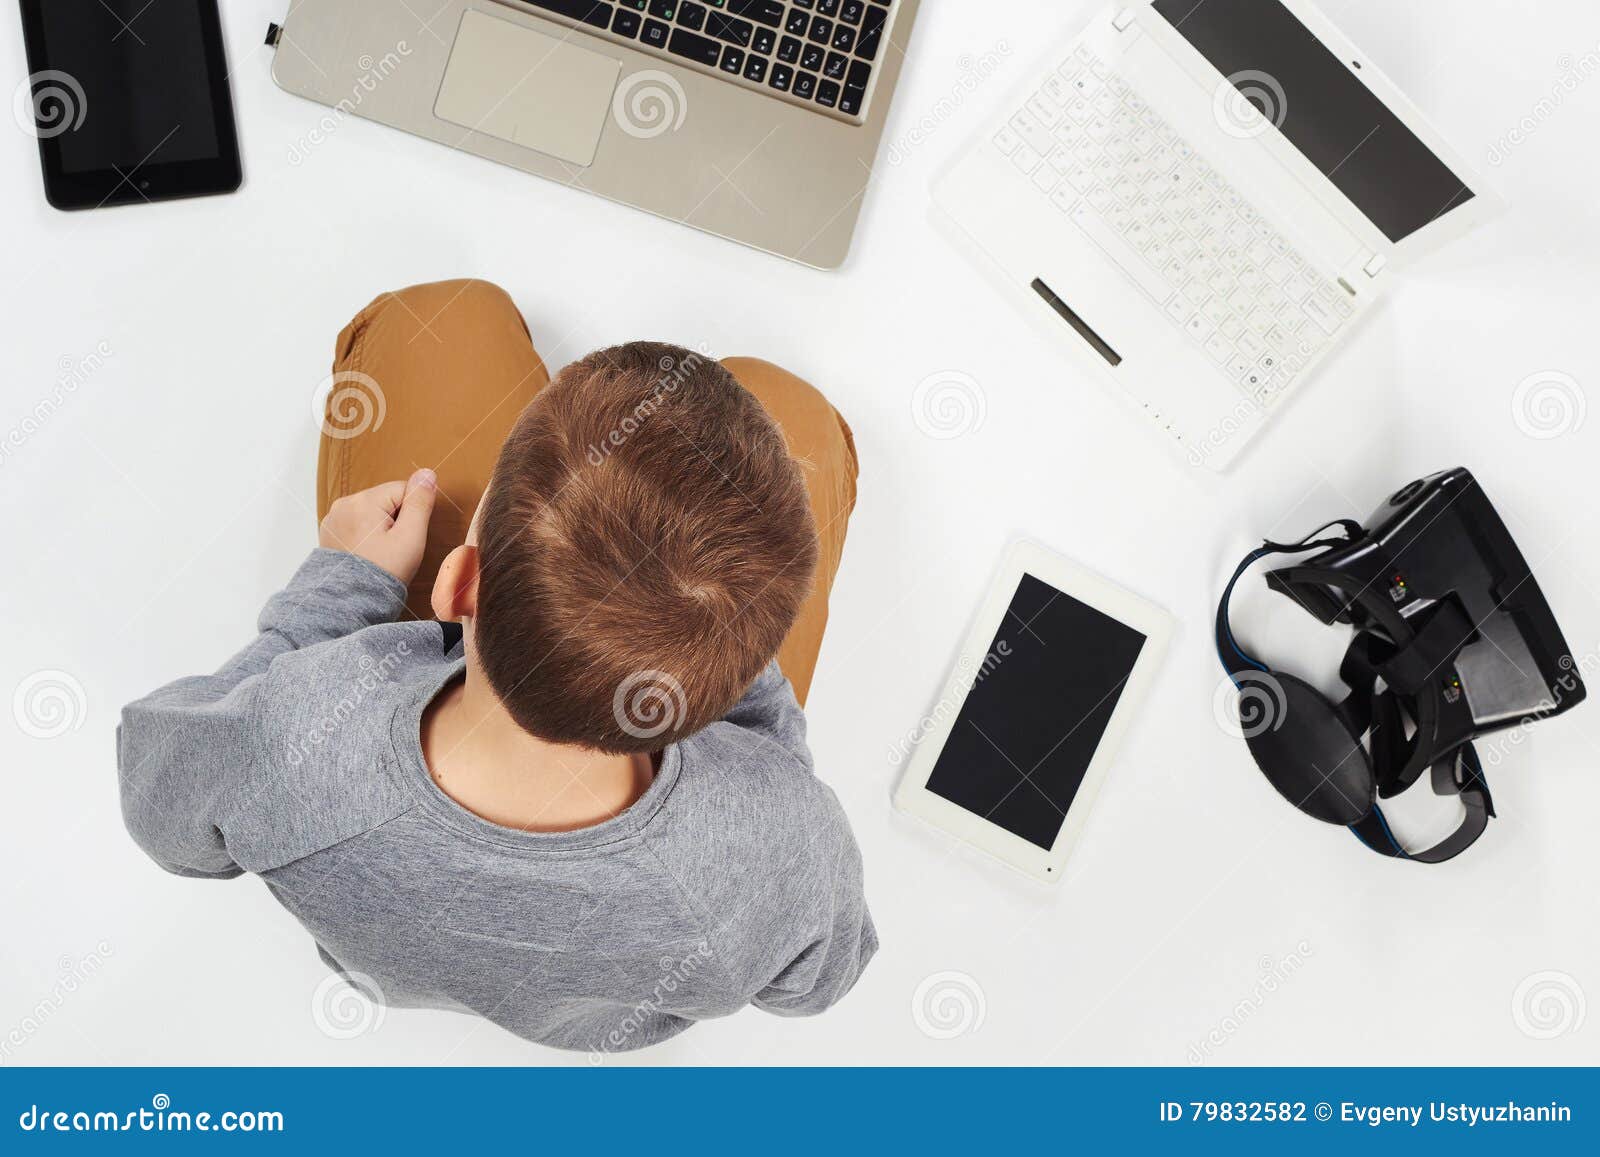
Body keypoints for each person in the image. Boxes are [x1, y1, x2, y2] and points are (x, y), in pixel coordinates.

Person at [116, 279, 872, 1053]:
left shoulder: (298, 735)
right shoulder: (777, 846)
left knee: (445, 314)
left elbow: (159, 806)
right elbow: (820, 980)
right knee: (789, 408)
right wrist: (755, 744)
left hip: (380, 908)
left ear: (458, 580)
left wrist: (335, 589)